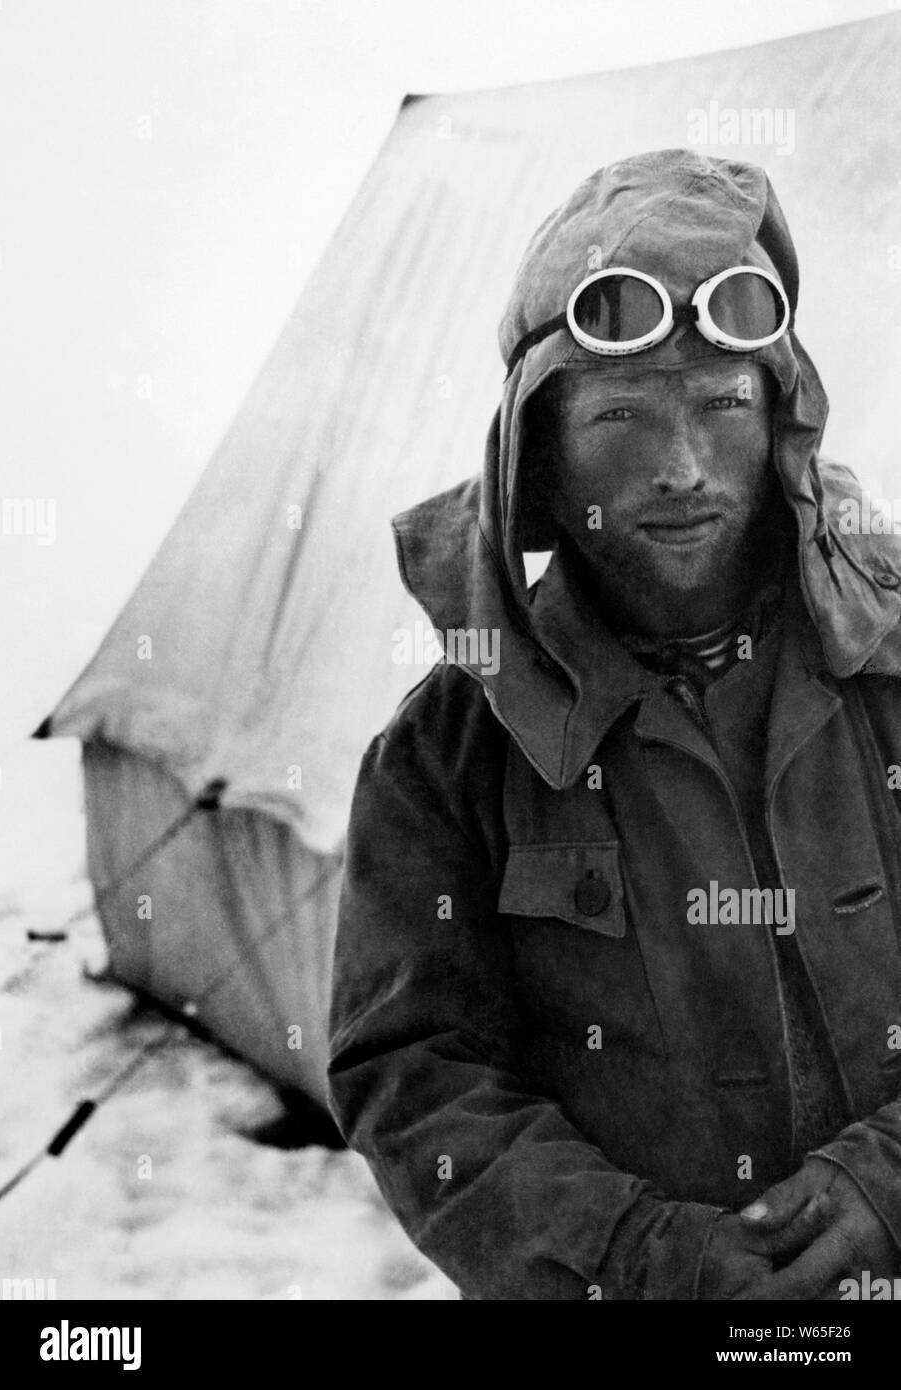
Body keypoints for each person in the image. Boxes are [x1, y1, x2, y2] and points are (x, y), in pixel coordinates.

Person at [326, 149, 901, 1299]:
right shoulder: (447, 753)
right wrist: (638, 1256)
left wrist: (885, 1180)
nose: (680, 468)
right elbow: (413, 1072)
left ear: (779, 421)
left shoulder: (884, 665)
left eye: (721, 403)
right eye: (621, 413)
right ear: (538, 455)